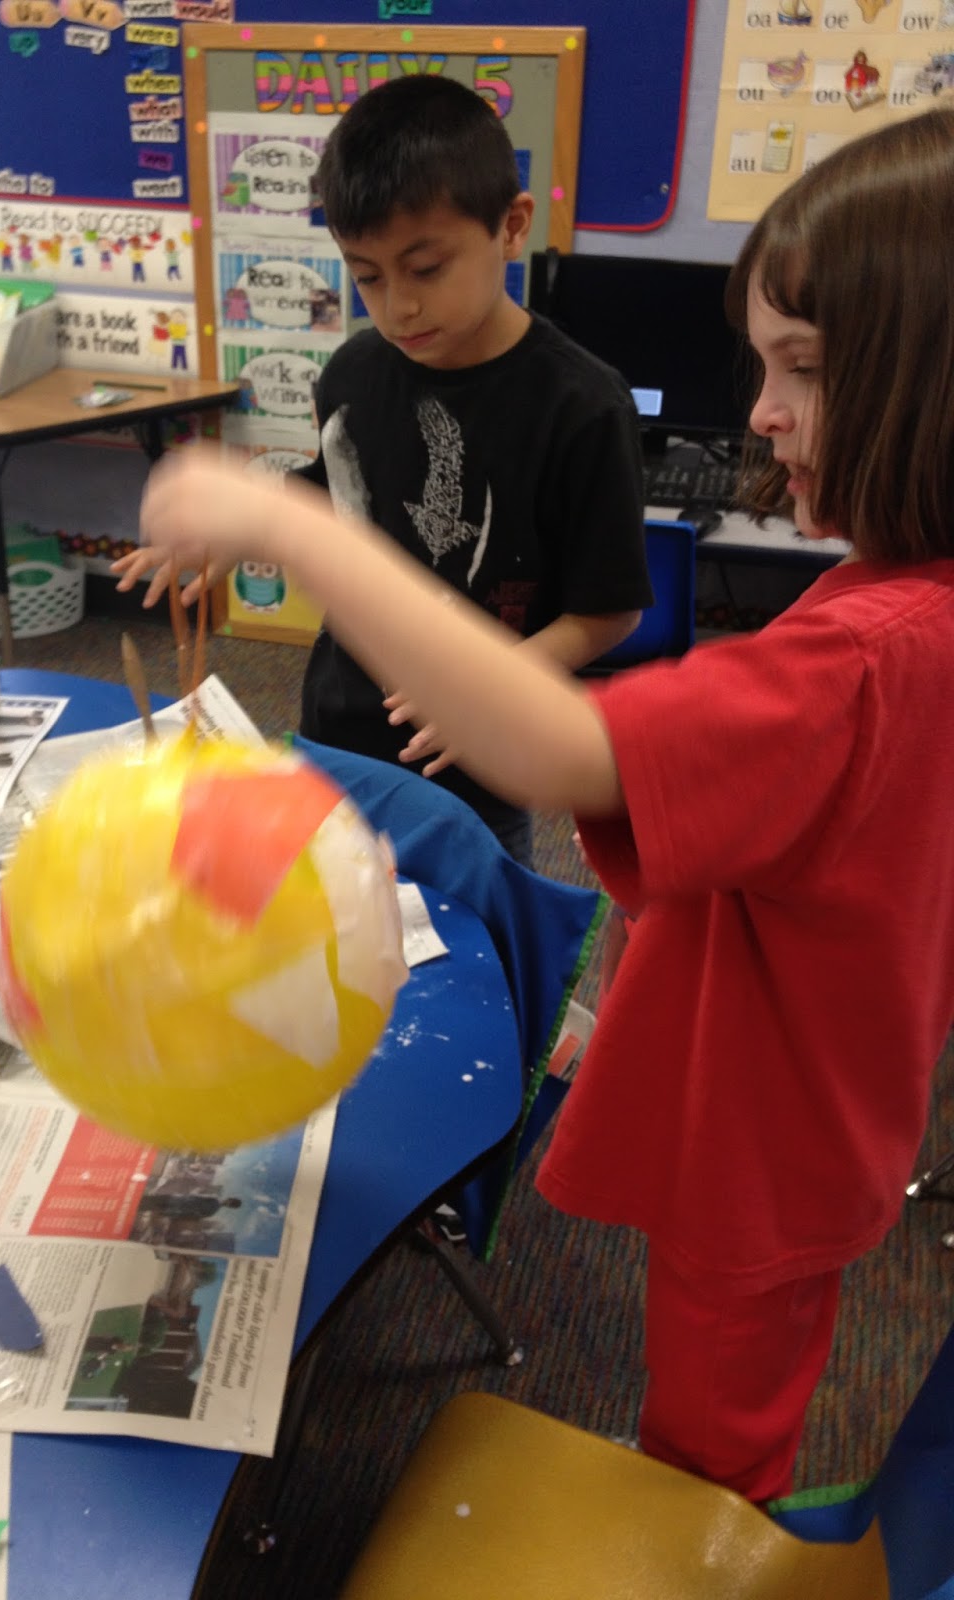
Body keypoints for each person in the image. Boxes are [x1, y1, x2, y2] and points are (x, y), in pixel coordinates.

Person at [120, 108, 954, 1503]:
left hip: (764, 1147)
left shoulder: (863, 657)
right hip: (816, 1101)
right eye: (763, 365)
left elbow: (566, 751)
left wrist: (285, 528)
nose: (758, 411)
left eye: (802, 369)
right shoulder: (903, 599)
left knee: (702, 1469)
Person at [114, 74, 651, 865]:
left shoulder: (582, 406)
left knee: (473, 951)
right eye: (367, 276)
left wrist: (483, 687)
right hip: (338, 732)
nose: (397, 305)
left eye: (425, 268)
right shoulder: (356, 372)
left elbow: (608, 611)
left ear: (511, 226)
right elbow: (339, 492)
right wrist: (234, 530)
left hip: (473, 763)